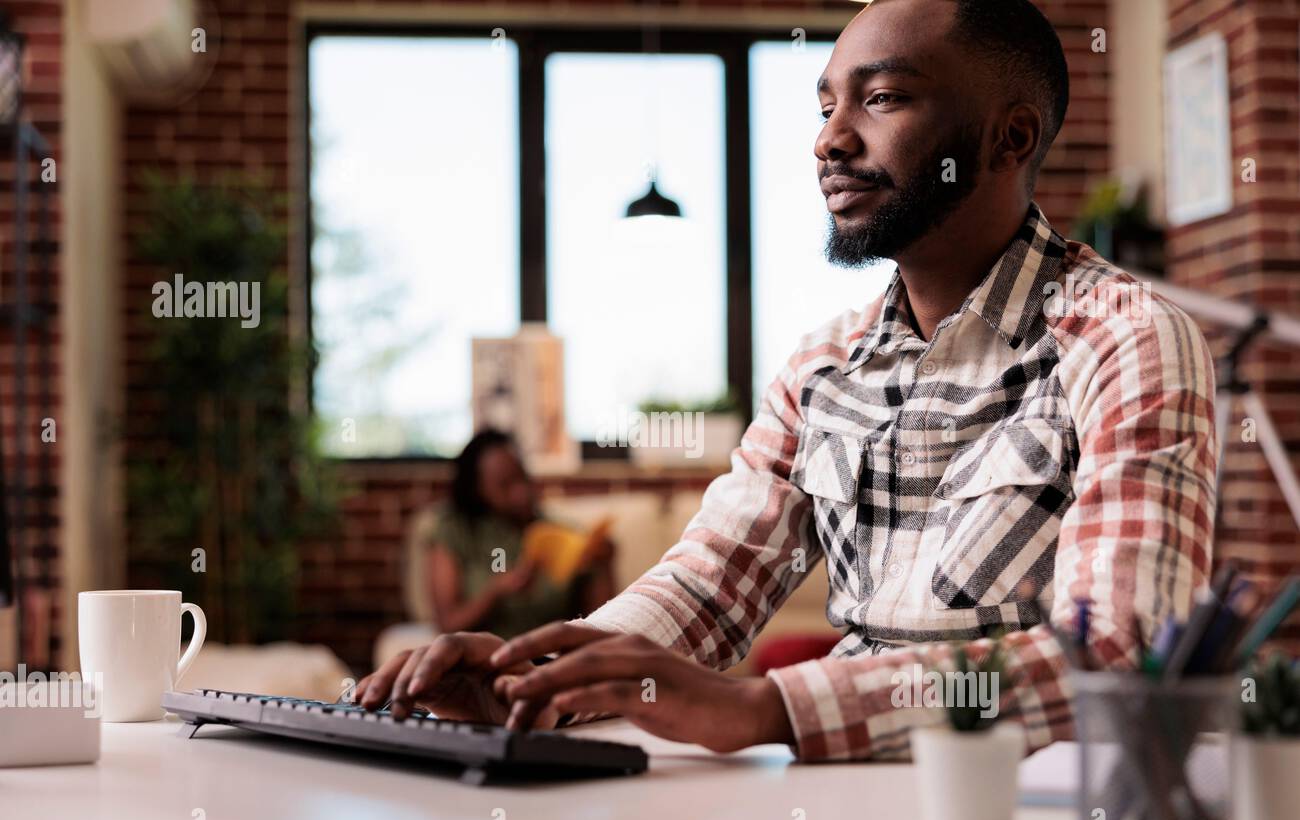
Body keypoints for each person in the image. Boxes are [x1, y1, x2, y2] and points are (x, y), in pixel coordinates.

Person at [356, 0, 1215, 759]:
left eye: (881, 99)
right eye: (826, 104)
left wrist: (769, 708)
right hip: (834, 810)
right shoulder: (820, 365)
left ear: (1010, 135)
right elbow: (707, 586)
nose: (830, 139)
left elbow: (1115, 655)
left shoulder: (1126, 341)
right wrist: (533, 677)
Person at [423, 428, 615, 639]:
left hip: (552, 658)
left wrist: (603, 566)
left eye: (522, 477)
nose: (521, 492)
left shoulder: (559, 533)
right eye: (504, 485)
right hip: (484, 657)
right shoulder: (454, 530)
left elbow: (599, 626)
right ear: (477, 489)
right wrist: (495, 592)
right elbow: (448, 624)